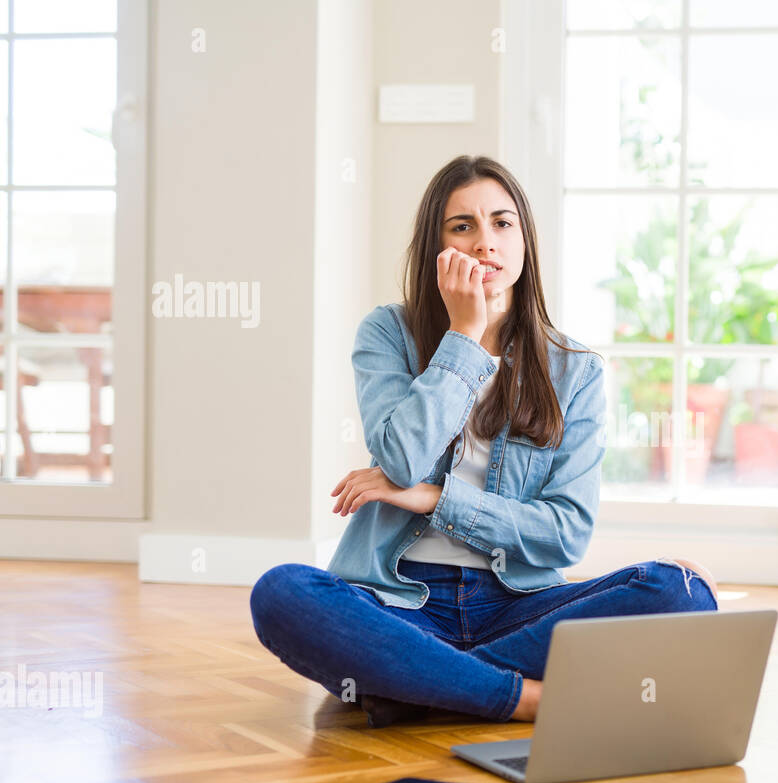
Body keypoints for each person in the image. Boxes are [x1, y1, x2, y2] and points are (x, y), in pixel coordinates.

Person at [249, 155, 719, 727]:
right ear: (436, 245)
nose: (485, 244)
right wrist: (464, 335)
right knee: (282, 593)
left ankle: (415, 684)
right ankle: (520, 698)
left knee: (680, 590)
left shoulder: (576, 371)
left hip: (516, 605)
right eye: (462, 226)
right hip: (398, 603)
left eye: (502, 223)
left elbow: (564, 536)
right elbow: (401, 459)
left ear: (525, 240)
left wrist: (434, 499)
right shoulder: (386, 334)